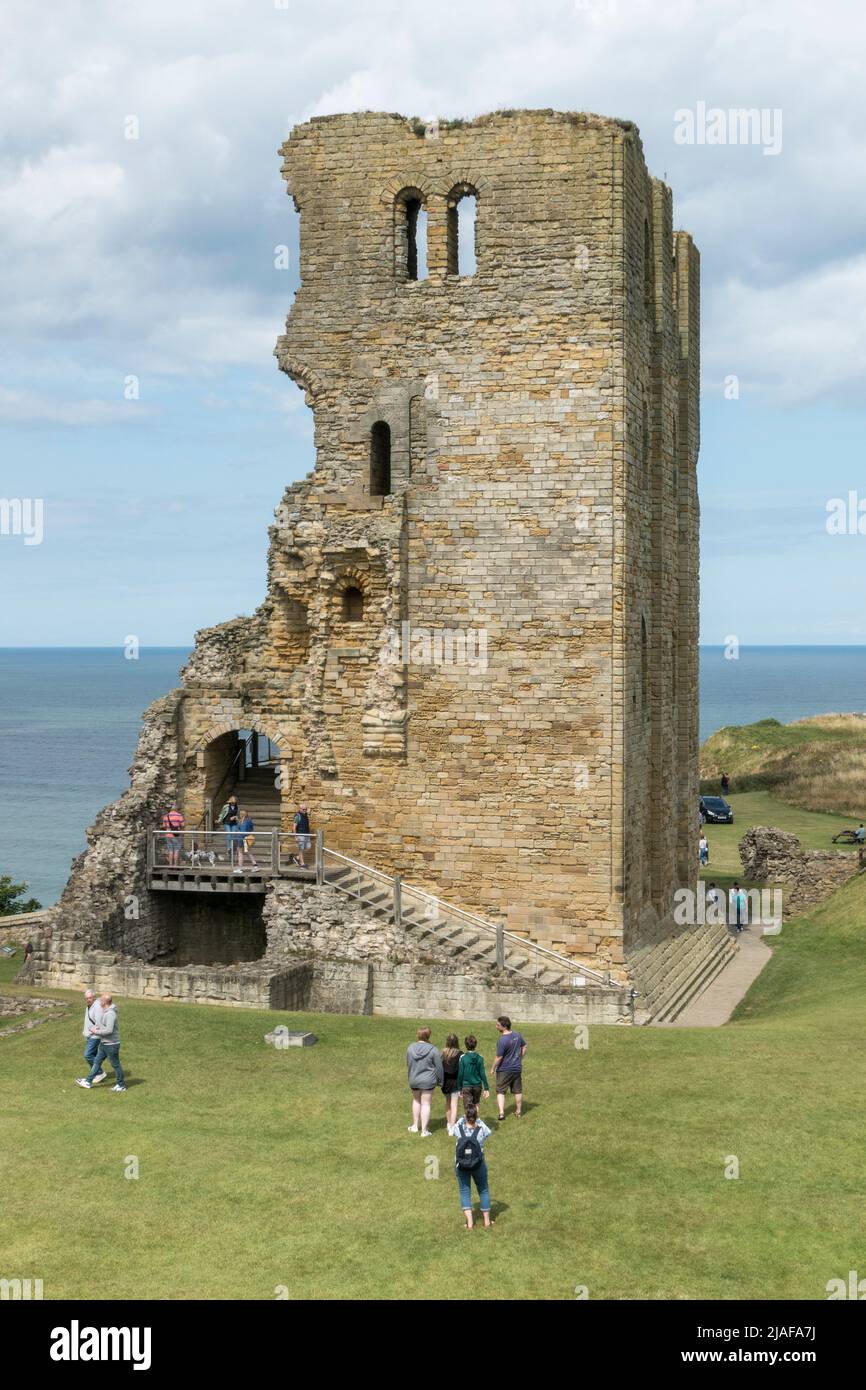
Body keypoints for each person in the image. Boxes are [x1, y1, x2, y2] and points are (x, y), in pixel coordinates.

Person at [454, 1102, 493, 1230]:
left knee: (465, 1192)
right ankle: (487, 1222)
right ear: (476, 1115)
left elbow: (450, 1131)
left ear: (465, 1115)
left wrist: (463, 1118)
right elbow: (488, 1133)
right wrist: (478, 1119)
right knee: (483, 1190)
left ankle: (470, 1223)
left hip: (461, 1166)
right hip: (478, 1164)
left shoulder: (458, 1128)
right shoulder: (481, 1128)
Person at [76, 993, 125, 1092]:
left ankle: (121, 1085)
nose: (99, 1001)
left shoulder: (111, 1013)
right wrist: (97, 1027)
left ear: (105, 1002)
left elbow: (109, 1030)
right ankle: (88, 1081)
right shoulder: (106, 1012)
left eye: (101, 1000)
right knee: (97, 1062)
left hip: (111, 1044)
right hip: (104, 1043)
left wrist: (96, 1032)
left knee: (116, 1065)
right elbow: (104, 1025)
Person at [406, 1026, 443, 1138]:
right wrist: (441, 1081)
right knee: (426, 1104)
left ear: (418, 1035)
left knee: (416, 1101)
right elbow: (439, 1067)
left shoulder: (410, 1048)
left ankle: (415, 1126)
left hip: (414, 1079)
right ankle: (424, 1130)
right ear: (428, 1036)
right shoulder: (433, 1050)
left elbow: (408, 1063)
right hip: (428, 1081)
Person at [492, 1015, 527, 1120]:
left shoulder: (502, 1040)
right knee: (517, 1090)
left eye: (498, 1025)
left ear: (504, 1027)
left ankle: (502, 1113)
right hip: (516, 1069)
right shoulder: (517, 1035)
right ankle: (519, 1111)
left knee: (500, 1091)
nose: (496, 1026)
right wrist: (520, 1057)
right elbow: (524, 1046)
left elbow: (499, 1057)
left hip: (504, 1070)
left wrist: (493, 1068)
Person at [456, 1034, 490, 1108]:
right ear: (475, 1045)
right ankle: (475, 1118)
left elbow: (460, 1073)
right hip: (477, 1085)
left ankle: (469, 1119)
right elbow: (482, 1073)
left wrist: (459, 1088)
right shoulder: (480, 1058)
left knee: (467, 1106)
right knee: (476, 1103)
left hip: (466, 1086)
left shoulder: (463, 1058)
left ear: (465, 1045)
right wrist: (486, 1088)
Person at [81, 989, 107, 1084]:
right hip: (89, 1035)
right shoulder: (89, 1006)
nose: (88, 999)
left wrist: (93, 1032)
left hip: (95, 1036)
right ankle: (97, 1074)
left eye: (90, 998)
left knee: (87, 1055)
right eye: (87, 998)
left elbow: (99, 1022)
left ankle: (100, 1072)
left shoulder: (97, 1006)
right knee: (94, 1056)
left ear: (94, 997)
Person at [441, 1033, 463, 1135]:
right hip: (455, 1083)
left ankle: (449, 1123)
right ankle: (452, 1128)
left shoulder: (443, 1053)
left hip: (445, 1083)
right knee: (454, 1105)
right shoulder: (460, 1054)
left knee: (448, 1103)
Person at [219, 795, 240, 861]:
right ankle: (229, 848)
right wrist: (219, 820)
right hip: (227, 822)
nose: (233, 803)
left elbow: (238, 816)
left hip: (234, 823)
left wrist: (235, 817)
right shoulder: (226, 806)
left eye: (234, 802)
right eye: (232, 802)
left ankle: (232, 848)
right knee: (228, 834)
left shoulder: (237, 807)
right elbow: (222, 814)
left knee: (233, 835)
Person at [292, 804, 312, 868]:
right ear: (300, 809)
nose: (305, 810)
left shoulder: (305, 815)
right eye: (303, 809)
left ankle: (297, 858)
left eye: (306, 809)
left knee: (308, 847)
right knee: (301, 849)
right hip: (300, 834)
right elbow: (294, 827)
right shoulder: (297, 816)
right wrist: (295, 836)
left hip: (306, 834)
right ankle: (302, 864)